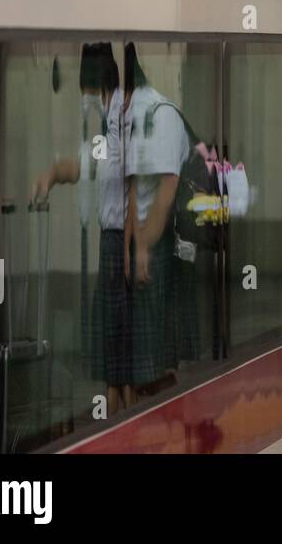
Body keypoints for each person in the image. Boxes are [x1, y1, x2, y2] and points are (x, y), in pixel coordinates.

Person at [30, 43, 133, 411]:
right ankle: (115, 398)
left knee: (117, 327)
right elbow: (90, 165)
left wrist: (59, 172)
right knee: (110, 326)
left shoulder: (120, 116)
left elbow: (114, 172)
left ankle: (122, 401)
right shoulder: (109, 120)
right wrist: (55, 173)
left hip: (120, 238)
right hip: (113, 236)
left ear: (93, 84)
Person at [122, 43, 192, 396]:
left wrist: (144, 247)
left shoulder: (159, 115)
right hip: (144, 237)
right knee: (140, 360)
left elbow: (167, 187)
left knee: (152, 363)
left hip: (159, 239)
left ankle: (169, 422)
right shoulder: (133, 113)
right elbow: (134, 183)